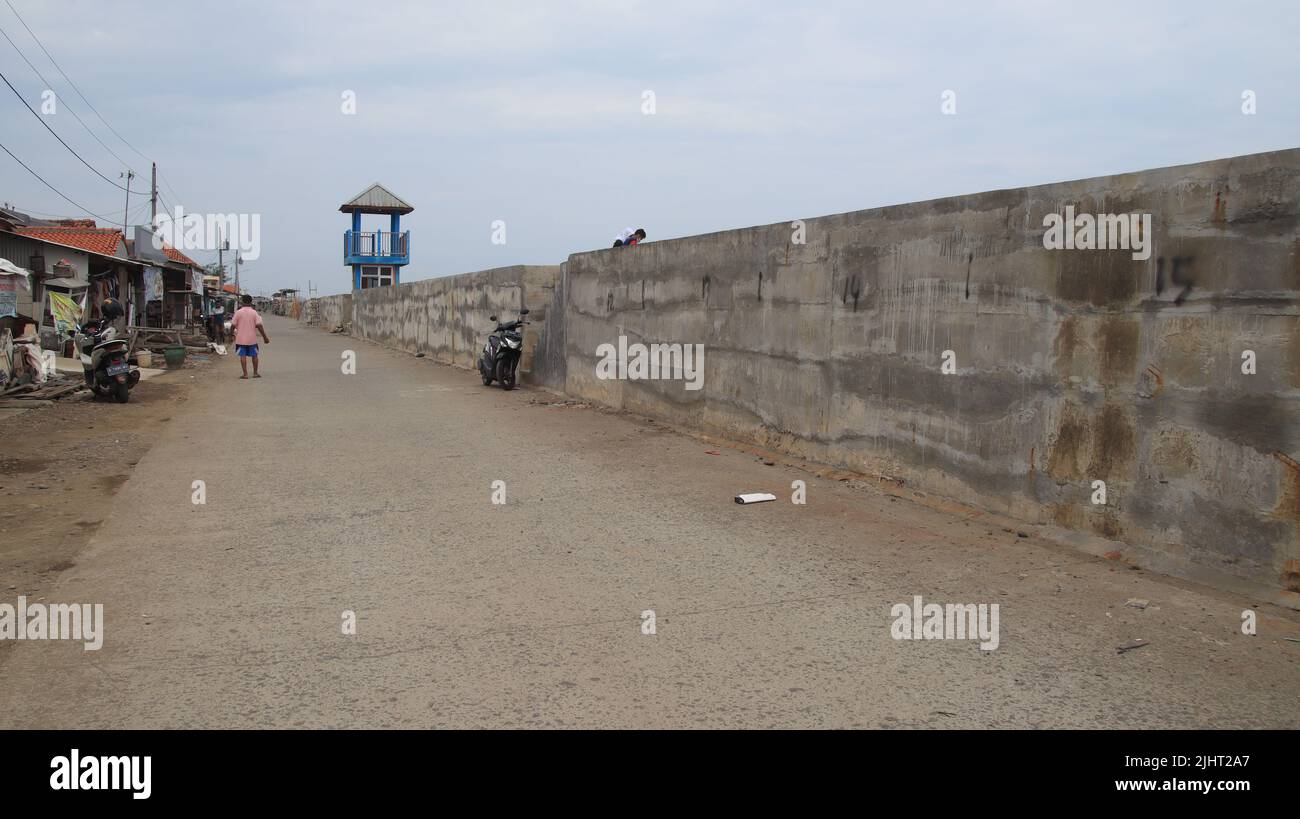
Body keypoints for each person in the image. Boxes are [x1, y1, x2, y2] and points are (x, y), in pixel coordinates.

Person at [230, 294, 270, 379]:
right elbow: (259, 326)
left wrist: (230, 335)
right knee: (254, 355)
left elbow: (233, 325)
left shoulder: (238, 312)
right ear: (251, 302)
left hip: (240, 339)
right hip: (252, 339)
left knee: (242, 356)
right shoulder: (254, 313)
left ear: (242, 301)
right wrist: (265, 337)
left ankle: (245, 374)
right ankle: (255, 373)